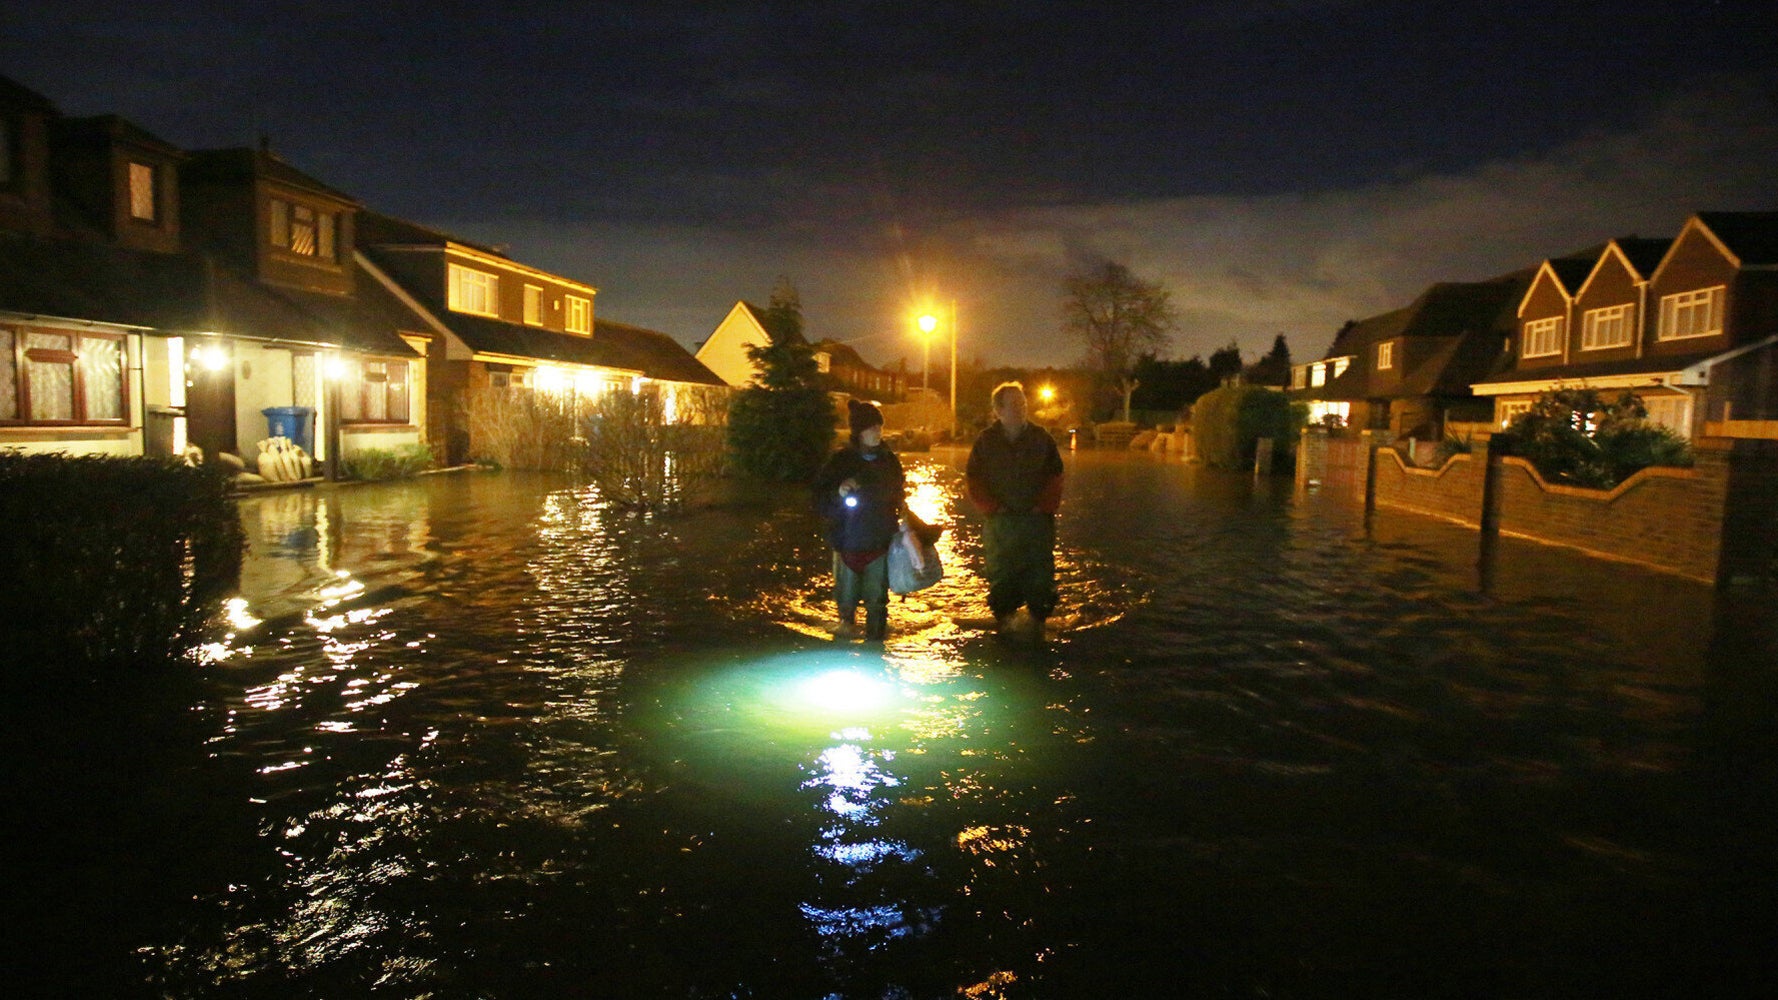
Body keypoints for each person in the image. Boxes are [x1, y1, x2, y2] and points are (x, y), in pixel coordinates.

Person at [965, 381, 1064, 637]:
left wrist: (1043, 507)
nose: (1021, 408)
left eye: (1023, 402)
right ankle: (1005, 626)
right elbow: (973, 479)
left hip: (1035, 523)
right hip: (1001, 524)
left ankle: (1038, 623)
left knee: (1041, 577)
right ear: (999, 410)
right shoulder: (986, 442)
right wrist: (992, 508)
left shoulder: (1042, 439)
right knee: (1001, 576)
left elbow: (1056, 475)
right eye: (1014, 404)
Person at [812, 399, 907, 641]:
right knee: (846, 606)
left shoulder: (889, 461)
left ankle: (875, 647)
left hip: (879, 544)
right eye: (872, 428)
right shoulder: (840, 462)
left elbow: (899, 495)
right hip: (846, 545)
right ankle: (845, 648)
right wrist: (839, 492)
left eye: (879, 427)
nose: (878, 432)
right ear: (860, 432)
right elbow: (820, 499)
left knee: (877, 603)